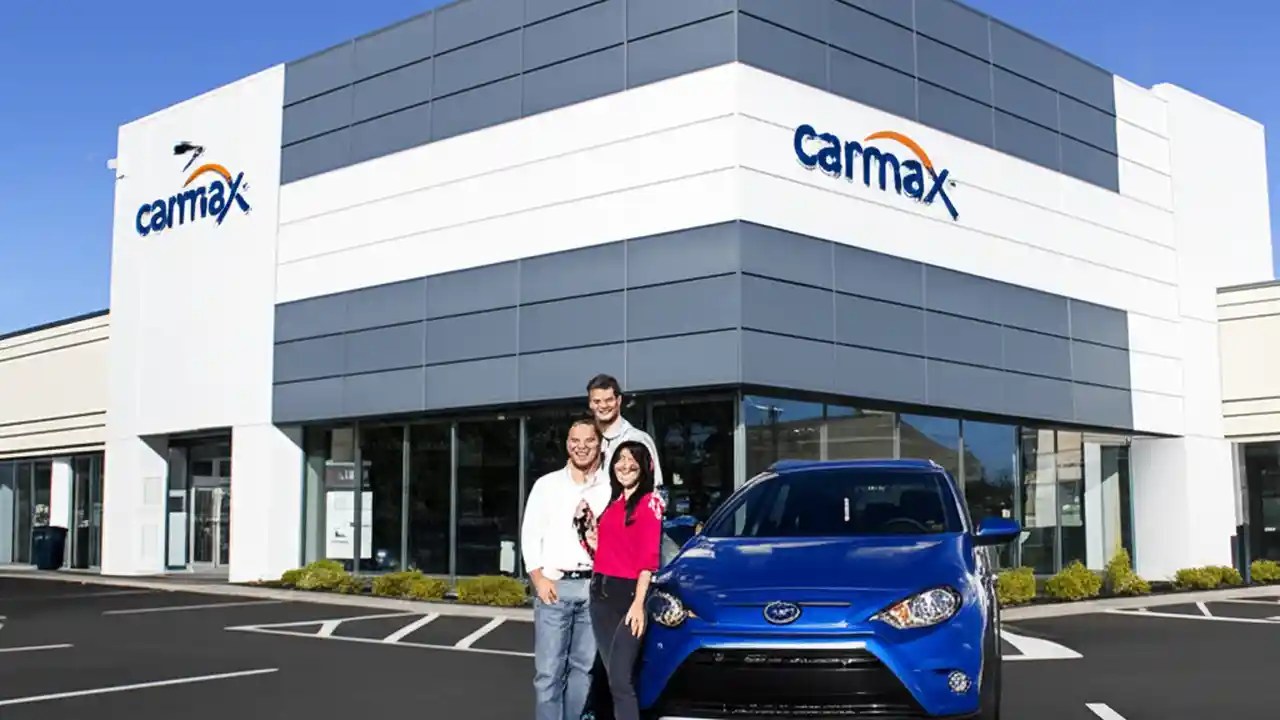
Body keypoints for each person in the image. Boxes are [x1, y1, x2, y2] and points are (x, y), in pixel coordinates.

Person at [522, 416, 613, 720]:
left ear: (599, 445)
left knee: (583, 671)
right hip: (554, 587)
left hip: (592, 588)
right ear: (567, 445)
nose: (581, 447)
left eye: (589, 441)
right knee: (548, 673)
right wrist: (538, 578)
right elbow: (530, 535)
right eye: (575, 441)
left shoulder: (610, 487)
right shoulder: (546, 486)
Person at [584, 440, 664, 720]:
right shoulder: (614, 502)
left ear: (644, 467)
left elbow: (648, 558)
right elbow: (614, 548)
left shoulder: (649, 501)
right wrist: (593, 539)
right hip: (600, 594)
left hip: (629, 595)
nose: (625, 465)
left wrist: (639, 603)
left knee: (621, 679)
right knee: (612, 678)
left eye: (632, 460)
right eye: (620, 459)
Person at [586, 374, 664, 488]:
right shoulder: (584, 442)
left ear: (619, 400)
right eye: (597, 401)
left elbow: (654, 487)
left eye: (609, 400)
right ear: (590, 404)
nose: (603, 406)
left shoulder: (638, 439)